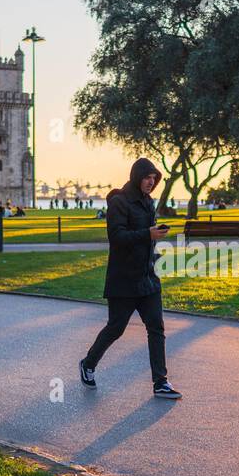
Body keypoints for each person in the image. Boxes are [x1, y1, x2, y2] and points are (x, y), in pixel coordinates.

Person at [79, 158, 181, 399]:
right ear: (137, 177)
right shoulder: (119, 202)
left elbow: (145, 239)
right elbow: (117, 237)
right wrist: (148, 234)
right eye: (148, 177)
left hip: (147, 277)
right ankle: (88, 364)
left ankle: (160, 382)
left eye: (154, 179)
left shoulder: (148, 203)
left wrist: (154, 237)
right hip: (123, 279)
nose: (151, 182)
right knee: (116, 328)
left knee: (156, 327)